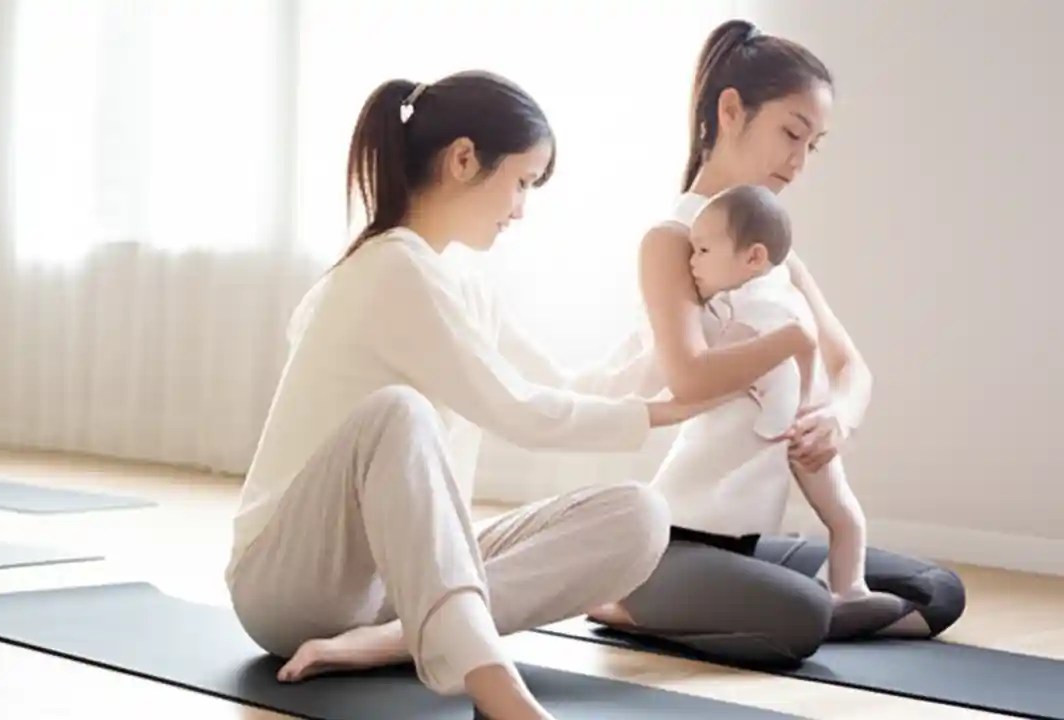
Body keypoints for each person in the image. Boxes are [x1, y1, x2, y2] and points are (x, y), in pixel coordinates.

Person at [226, 71, 714, 720]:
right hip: (290, 587)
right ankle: (491, 682)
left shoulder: (462, 281)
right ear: (463, 159)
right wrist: (658, 414)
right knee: (400, 413)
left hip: (397, 585)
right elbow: (518, 412)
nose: (522, 209)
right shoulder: (391, 267)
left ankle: (396, 639)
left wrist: (676, 346)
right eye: (522, 182)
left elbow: (558, 387)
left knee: (639, 516)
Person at [588, 19, 967, 665]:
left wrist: (837, 418)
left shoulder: (772, 256)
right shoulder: (673, 241)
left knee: (937, 591)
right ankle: (627, 601)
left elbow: (851, 368)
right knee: (804, 615)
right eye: (792, 133)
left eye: (813, 145)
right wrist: (790, 343)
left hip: (748, 537)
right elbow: (688, 375)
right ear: (730, 111)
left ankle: (750, 606)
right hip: (679, 539)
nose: (798, 162)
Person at [659, 183, 911, 638]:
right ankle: (846, 587)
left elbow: (733, 364)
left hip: (799, 430)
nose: (692, 261)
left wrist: (819, 411)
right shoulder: (766, 292)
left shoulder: (760, 304)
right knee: (843, 514)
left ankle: (847, 589)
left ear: (753, 257)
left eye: (703, 250)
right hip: (795, 425)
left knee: (842, 514)